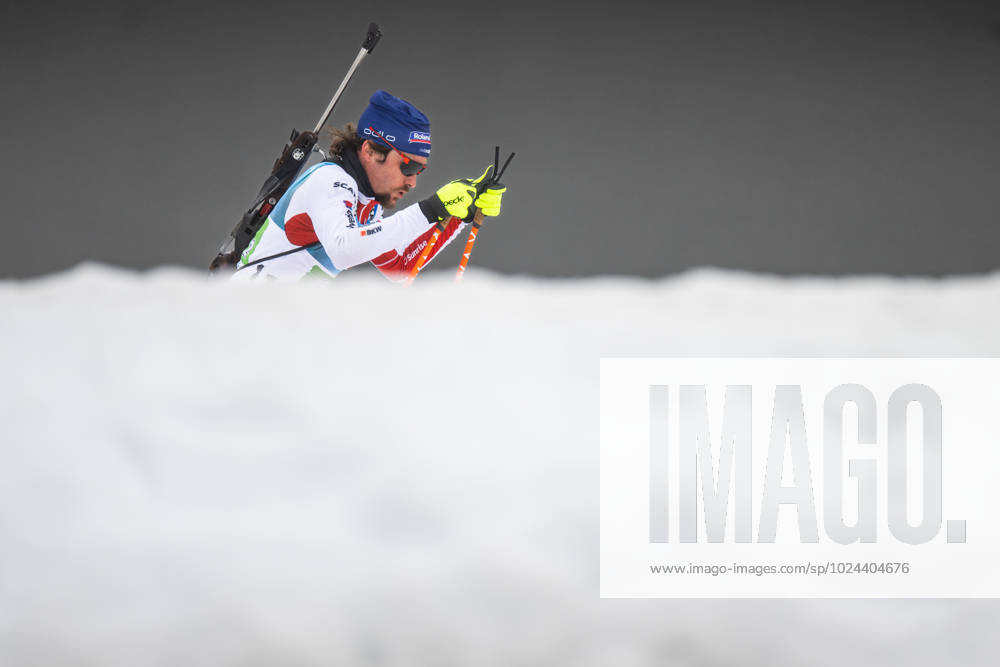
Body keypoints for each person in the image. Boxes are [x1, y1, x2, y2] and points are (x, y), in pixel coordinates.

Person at [232, 90, 506, 282]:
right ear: (370, 151)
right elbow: (344, 248)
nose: (413, 181)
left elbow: (400, 268)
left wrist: (457, 214)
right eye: (409, 167)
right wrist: (431, 209)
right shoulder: (329, 181)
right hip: (247, 317)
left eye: (419, 171)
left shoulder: (365, 203)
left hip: (279, 321)